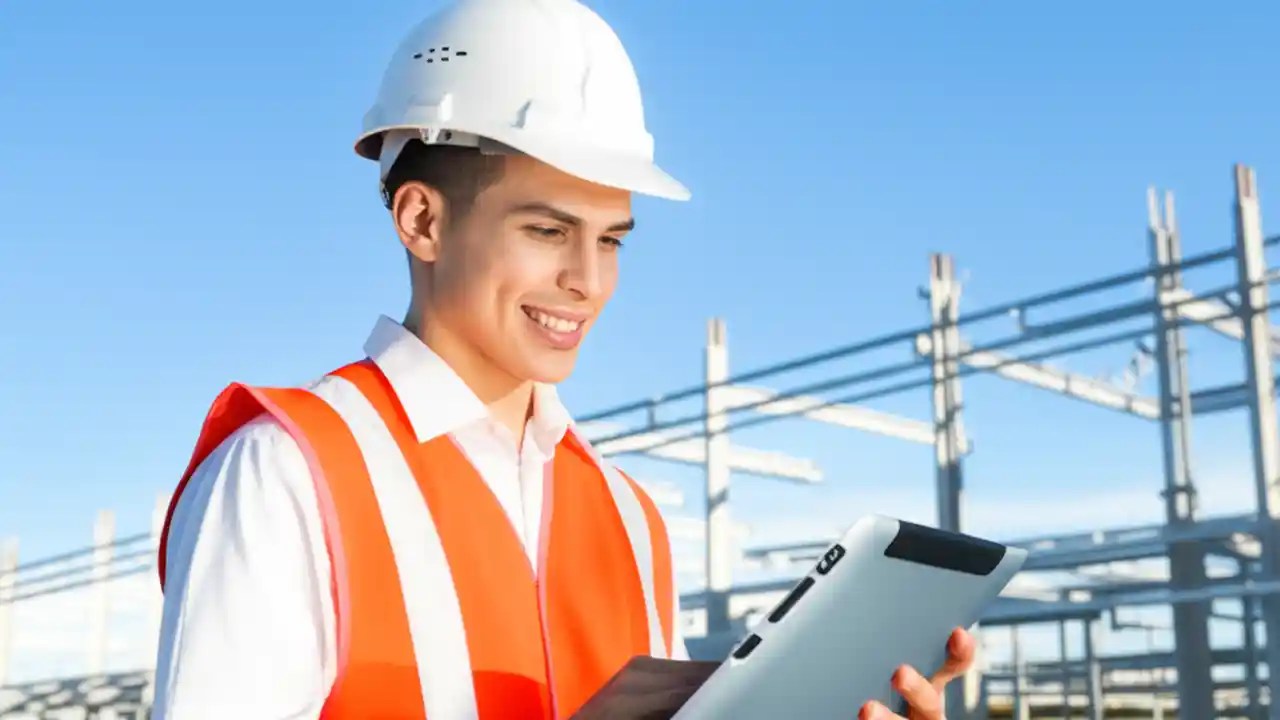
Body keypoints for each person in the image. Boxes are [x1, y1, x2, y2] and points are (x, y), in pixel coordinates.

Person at [151, 0, 975, 718]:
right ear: (422, 221)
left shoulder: (628, 517)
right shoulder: (284, 473)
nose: (587, 281)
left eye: (610, 239)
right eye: (547, 231)